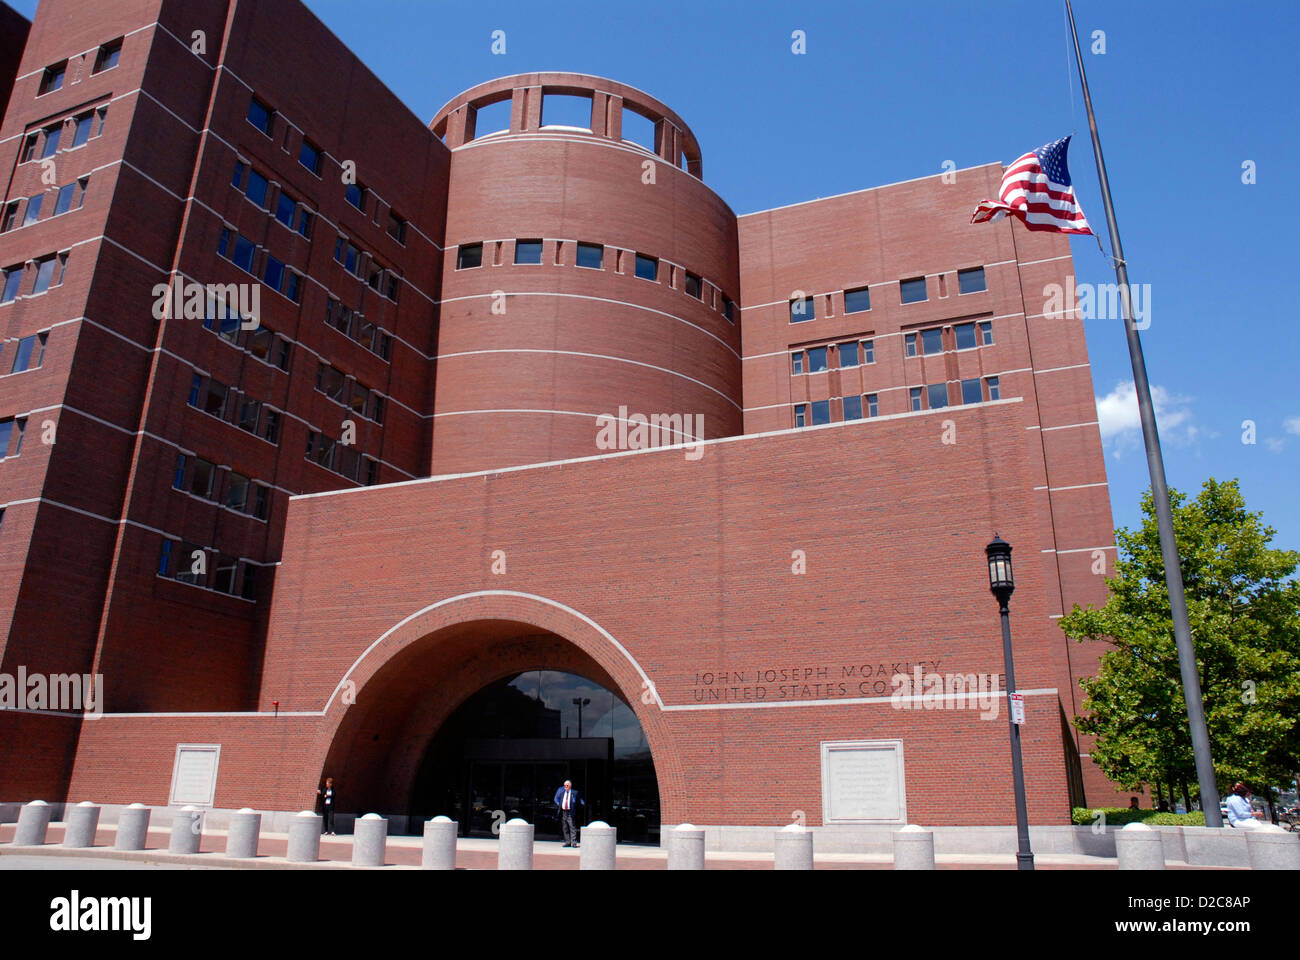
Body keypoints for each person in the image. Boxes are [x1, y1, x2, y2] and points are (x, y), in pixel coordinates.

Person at [553, 779, 584, 847]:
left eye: (567, 785)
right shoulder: (562, 793)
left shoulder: (574, 793)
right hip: (564, 812)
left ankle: (573, 842)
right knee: (565, 827)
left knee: (572, 826)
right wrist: (560, 806)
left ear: (570, 786)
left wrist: (582, 804)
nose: (565, 787)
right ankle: (567, 842)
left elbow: (579, 801)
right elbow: (558, 800)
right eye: (564, 786)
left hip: (570, 812)